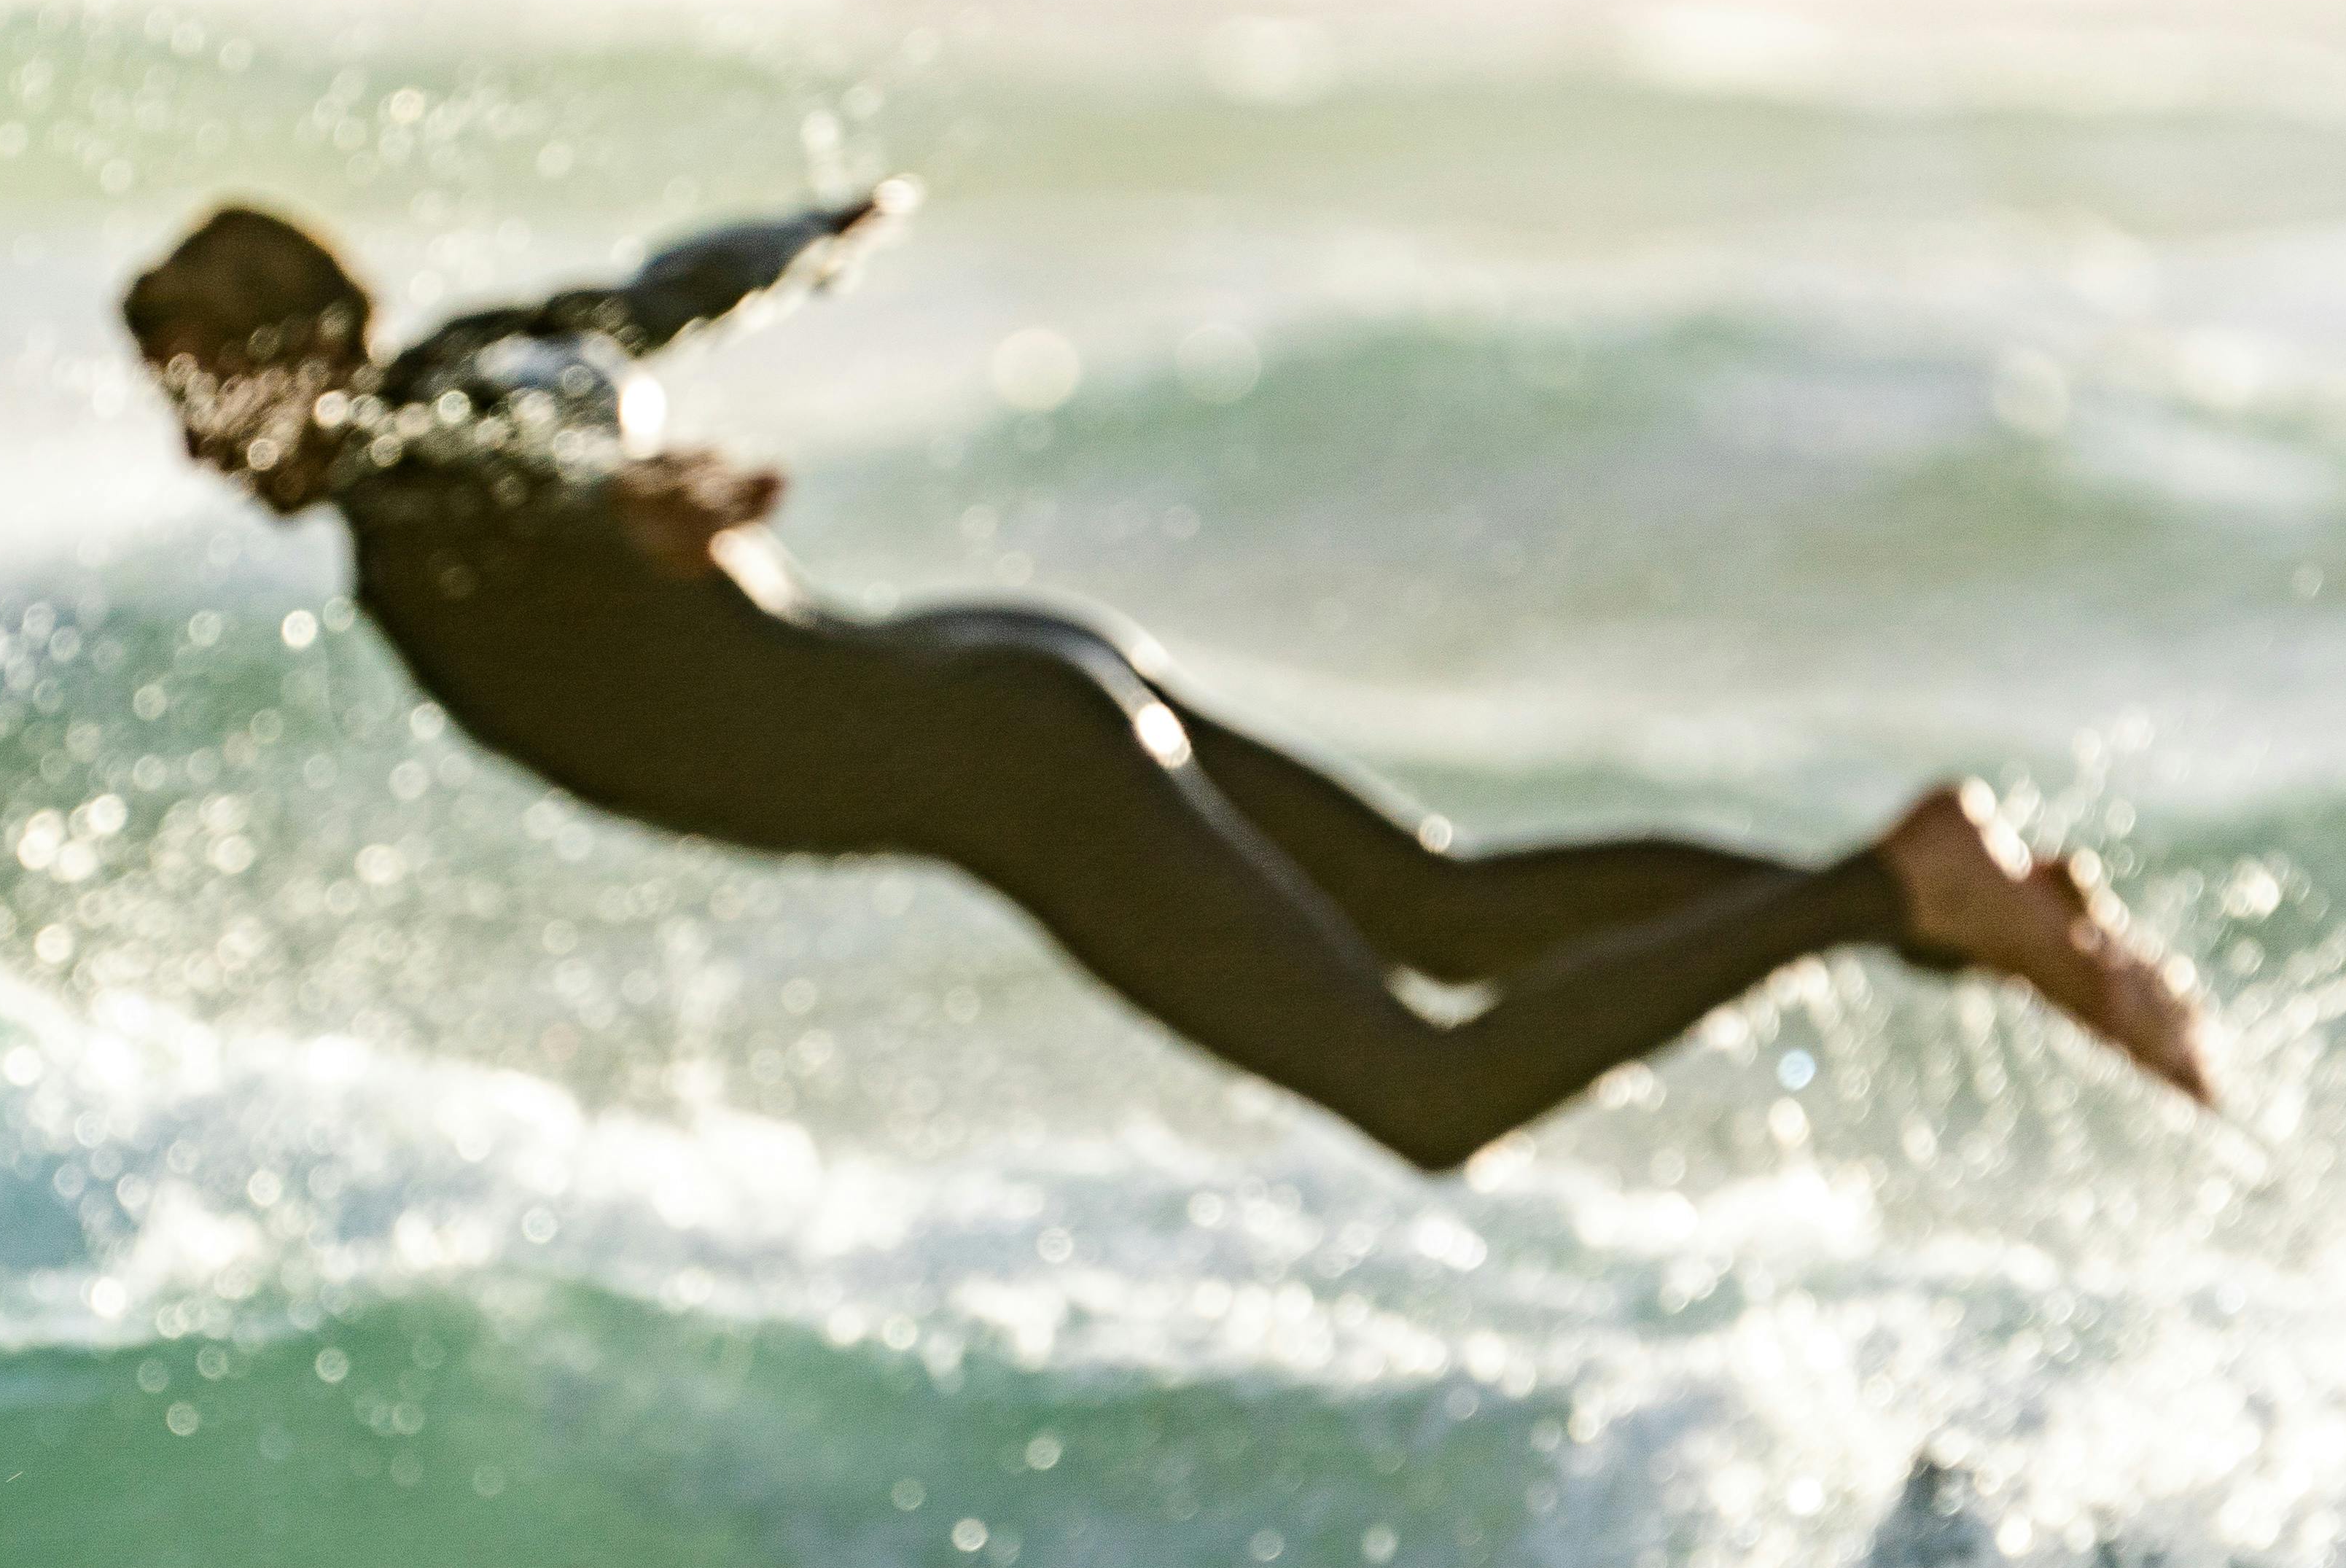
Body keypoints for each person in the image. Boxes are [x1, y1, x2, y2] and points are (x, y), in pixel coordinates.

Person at [121, 184, 2210, 1171]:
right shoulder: (495, 351)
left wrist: (636, 499)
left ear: (287, 356)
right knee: (1440, 907)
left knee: (1428, 1093)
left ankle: (1886, 890)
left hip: (995, 761)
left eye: (200, 391)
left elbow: (518, 458)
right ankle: (1967, 913)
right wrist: (803, 237)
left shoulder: (421, 458)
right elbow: (657, 296)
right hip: (999, 677)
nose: (197, 448)